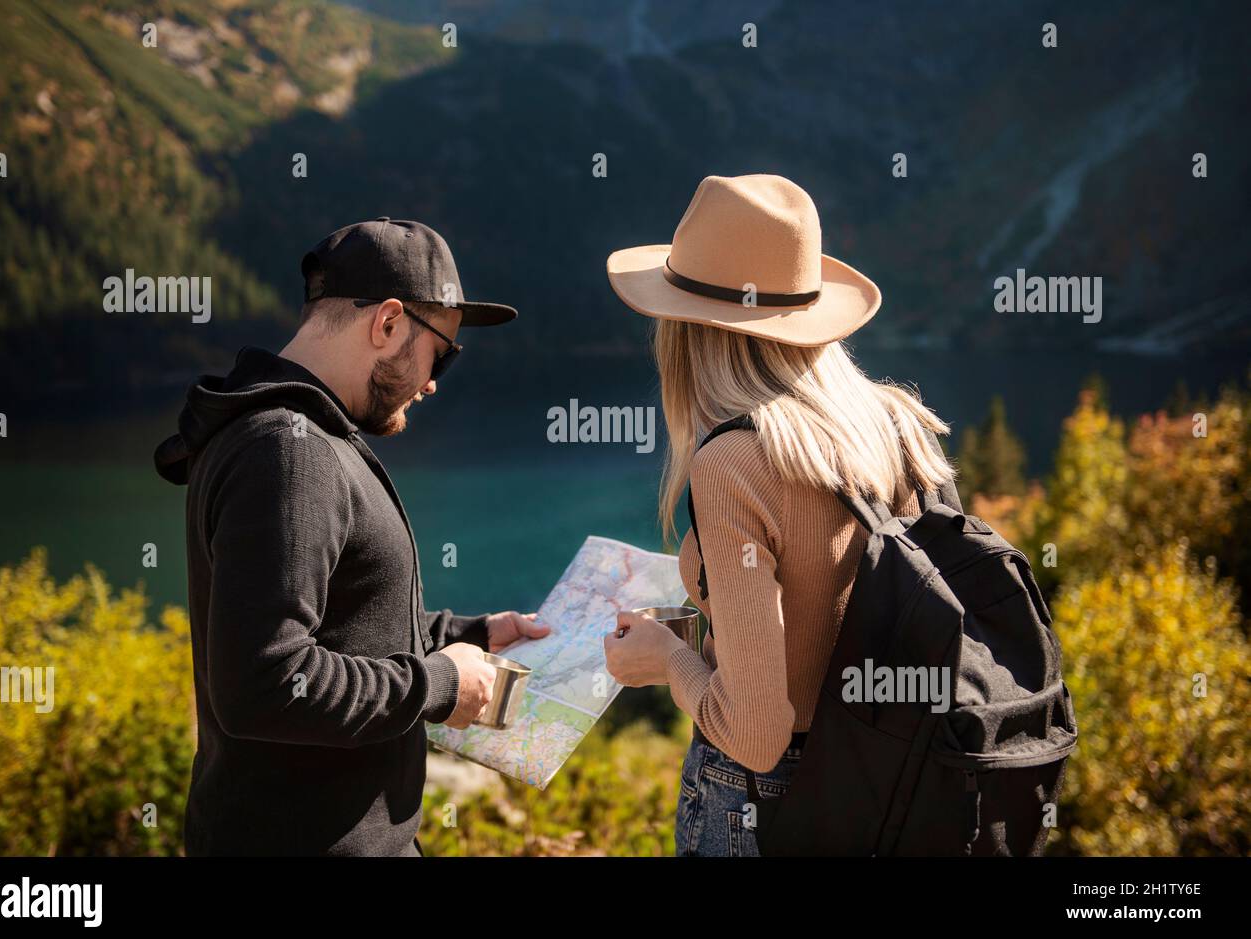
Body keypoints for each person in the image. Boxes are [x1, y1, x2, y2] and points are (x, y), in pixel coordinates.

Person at [153, 217, 549, 855]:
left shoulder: (289, 434)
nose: (432, 382)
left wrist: (468, 636)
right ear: (388, 323)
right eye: (440, 353)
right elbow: (266, 684)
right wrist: (441, 685)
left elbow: (344, 625)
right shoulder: (290, 451)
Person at [601, 175, 954, 856]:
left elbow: (758, 733)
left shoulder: (732, 462)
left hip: (761, 810)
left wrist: (668, 658)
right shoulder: (900, 425)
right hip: (885, 788)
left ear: (690, 333)